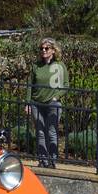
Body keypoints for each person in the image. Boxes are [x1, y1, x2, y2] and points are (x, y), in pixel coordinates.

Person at [25, 38, 68, 168]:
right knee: (40, 132)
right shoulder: (36, 66)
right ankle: (42, 160)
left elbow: (65, 85)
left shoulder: (60, 66)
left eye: (47, 48)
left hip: (52, 104)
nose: (43, 51)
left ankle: (52, 160)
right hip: (36, 103)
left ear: (53, 51)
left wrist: (56, 97)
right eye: (41, 48)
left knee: (52, 131)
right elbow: (29, 85)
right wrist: (27, 103)